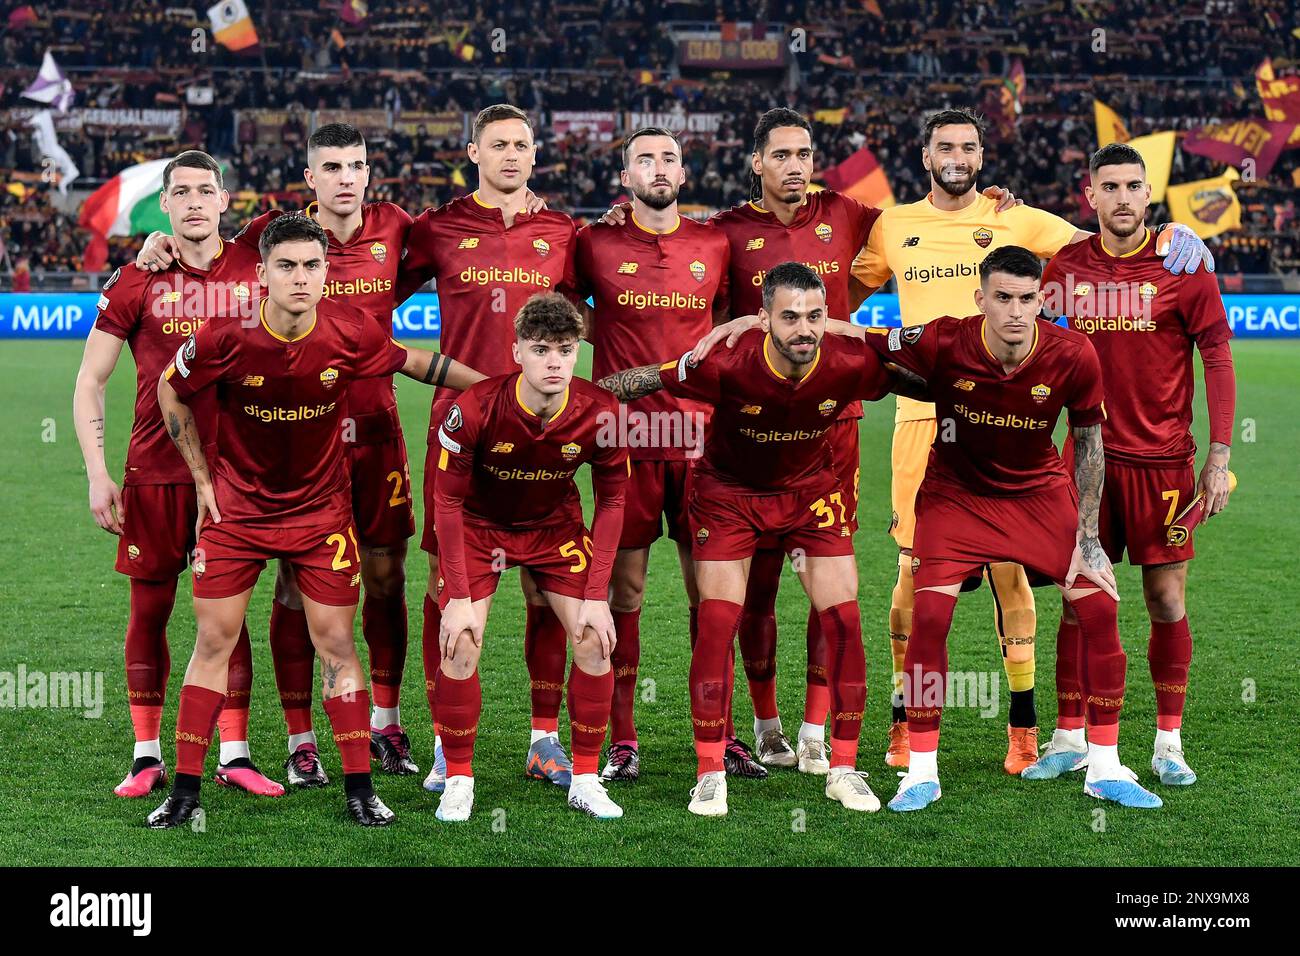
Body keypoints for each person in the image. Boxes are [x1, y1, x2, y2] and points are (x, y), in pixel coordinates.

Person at [145, 213, 484, 828]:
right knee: (213, 642)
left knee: (335, 643)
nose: (300, 278)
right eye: (287, 266)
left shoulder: (348, 331)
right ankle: (186, 793)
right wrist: (200, 476)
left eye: (312, 266)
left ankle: (359, 790)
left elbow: (419, 365)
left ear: (326, 272)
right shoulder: (225, 336)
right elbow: (171, 389)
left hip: (319, 514)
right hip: (237, 512)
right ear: (262, 272)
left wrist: (495, 391)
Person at [598, 262, 928, 816]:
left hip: (809, 496)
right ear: (764, 318)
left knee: (845, 620)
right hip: (728, 497)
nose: (805, 329)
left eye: (816, 316)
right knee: (717, 622)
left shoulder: (848, 360)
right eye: (791, 317)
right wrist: (554, 396)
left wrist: (983, 385)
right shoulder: (724, 360)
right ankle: (709, 772)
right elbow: (642, 381)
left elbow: (919, 380)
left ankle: (843, 767)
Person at [854, 245, 1162, 812]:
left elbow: (1091, 442)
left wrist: (1089, 540)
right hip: (956, 497)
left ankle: (1106, 765)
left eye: (1027, 299)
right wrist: (763, 320)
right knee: (930, 617)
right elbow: (861, 341)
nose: (1016, 312)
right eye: (1003, 299)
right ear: (981, 300)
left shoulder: (1074, 354)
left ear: (1042, 299)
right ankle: (920, 770)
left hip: (1037, 494)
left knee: (1099, 607)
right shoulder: (945, 338)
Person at [1026, 143, 1236, 786]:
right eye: (1109, 186)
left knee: (1165, 598)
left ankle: (1167, 742)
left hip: (1166, 463)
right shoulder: (1066, 268)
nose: (1122, 198)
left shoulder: (1183, 263)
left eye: (1133, 186)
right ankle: (1068, 736)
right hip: (1085, 461)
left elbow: (1218, 357)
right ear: (1089, 196)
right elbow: (1028, 341)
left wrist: (1220, 455)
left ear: (1150, 195)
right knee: (1077, 595)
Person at [73, 150, 281, 800]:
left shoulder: (257, 266)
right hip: (154, 473)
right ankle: (145, 755)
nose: (194, 201)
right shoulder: (137, 279)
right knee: (151, 608)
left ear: (225, 201)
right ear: (164, 205)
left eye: (206, 190)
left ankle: (236, 753)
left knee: (228, 617)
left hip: (238, 476)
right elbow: (91, 381)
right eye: (181, 192)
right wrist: (97, 473)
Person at [398, 104, 581, 794]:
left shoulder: (562, 232)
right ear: (473, 151)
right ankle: (449, 743)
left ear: (536, 156)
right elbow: (361, 290)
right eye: (498, 143)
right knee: (452, 591)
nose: (511, 154)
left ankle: (544, 738)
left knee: (547, 586)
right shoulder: (437, 229)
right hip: (460, 435)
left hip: (544, 438)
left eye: (522, 145)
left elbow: (613, 307)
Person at [432, 293, 630, 821]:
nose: (554, 362)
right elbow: (447, 501)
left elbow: (613, 501)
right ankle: (458, 778)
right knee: (462, 642)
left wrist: (596, 596)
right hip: (480, 529)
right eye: (541, 349)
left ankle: (586, 780)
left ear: (577, 351)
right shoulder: (472, 407)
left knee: (594, 640)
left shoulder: (601, 412)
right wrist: (455, 595)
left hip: (553, 529)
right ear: (517, 349)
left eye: (565, 350)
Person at [574, 126, 730, 782]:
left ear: (684, 172)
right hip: (627, 446)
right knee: (625, 589)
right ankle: (624, 738)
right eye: (645, 158)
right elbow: (558, 306)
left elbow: (729, 325)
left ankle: (718, 742)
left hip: (701, 445)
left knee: (710, 594)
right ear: (625, 175)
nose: (658, 168)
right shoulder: (594, 242)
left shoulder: (714, 243)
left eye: (668, 158)